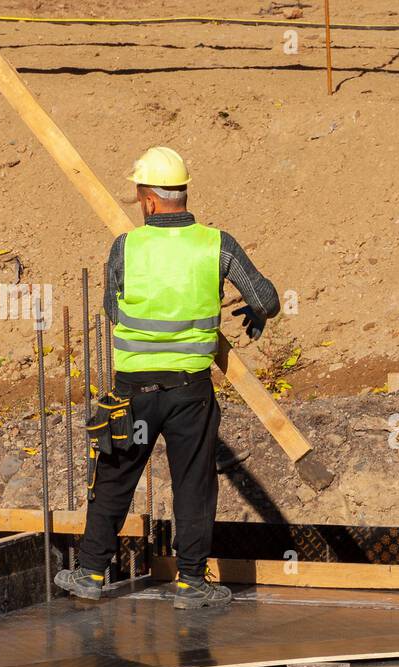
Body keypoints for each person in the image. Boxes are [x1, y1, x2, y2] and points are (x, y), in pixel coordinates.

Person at [55, 146, 280, 609]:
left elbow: (112, 309)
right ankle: (190, 583)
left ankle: (91, 573)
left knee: (115, 477)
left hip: (132, 390)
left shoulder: (126, 246)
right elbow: (266, 297)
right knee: (193, 483)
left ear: (150, 200)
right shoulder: (217, 244)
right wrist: (256, 314)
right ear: (181, 193)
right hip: (188, 391)